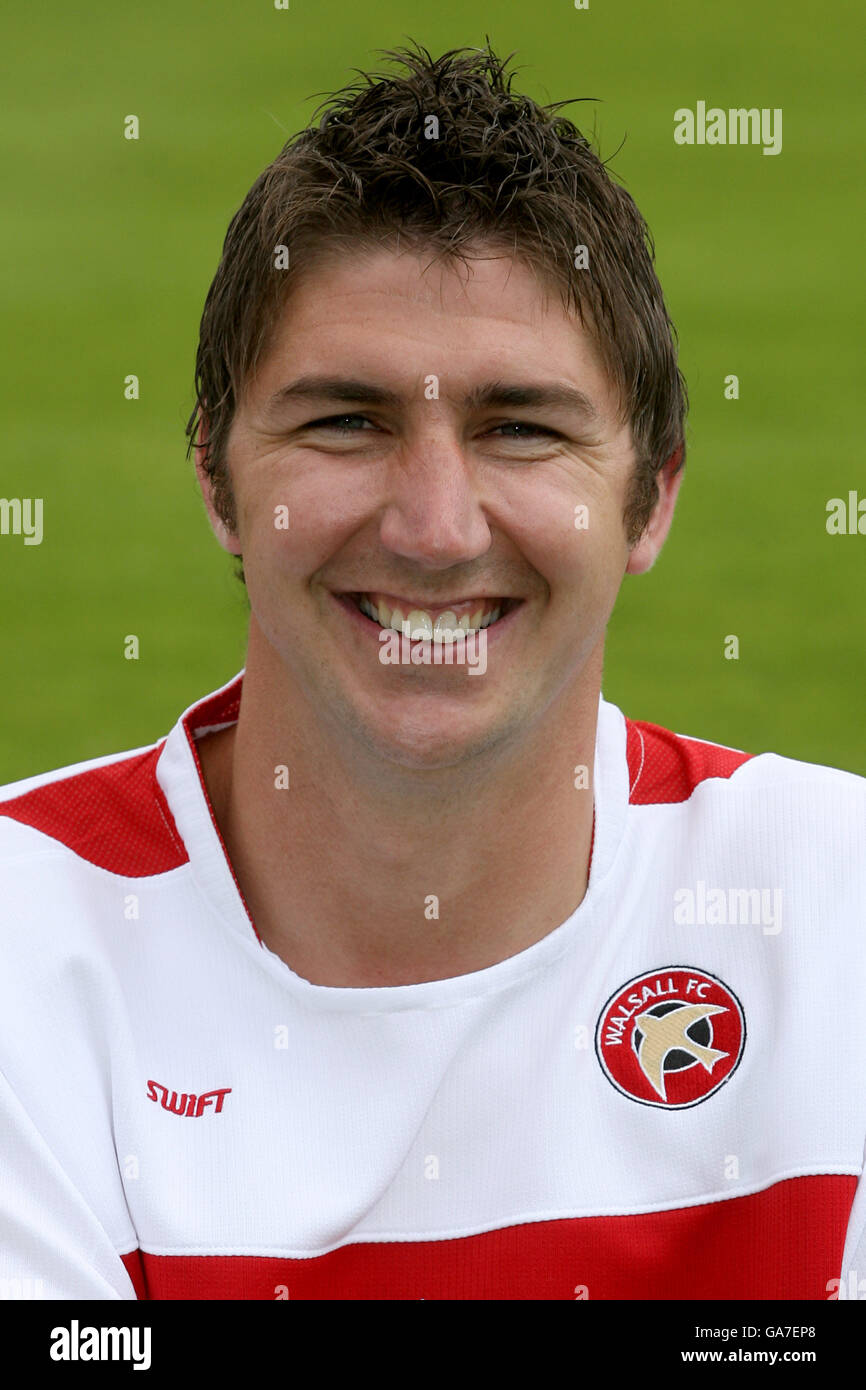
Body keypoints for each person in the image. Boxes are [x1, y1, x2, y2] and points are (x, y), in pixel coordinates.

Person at [1, 42, 864, 1303]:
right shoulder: (27, 943)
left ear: (649, 494)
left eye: (519, 427)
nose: (434, 525)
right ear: (215, 477)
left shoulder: (836, 909)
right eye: (345, 421)